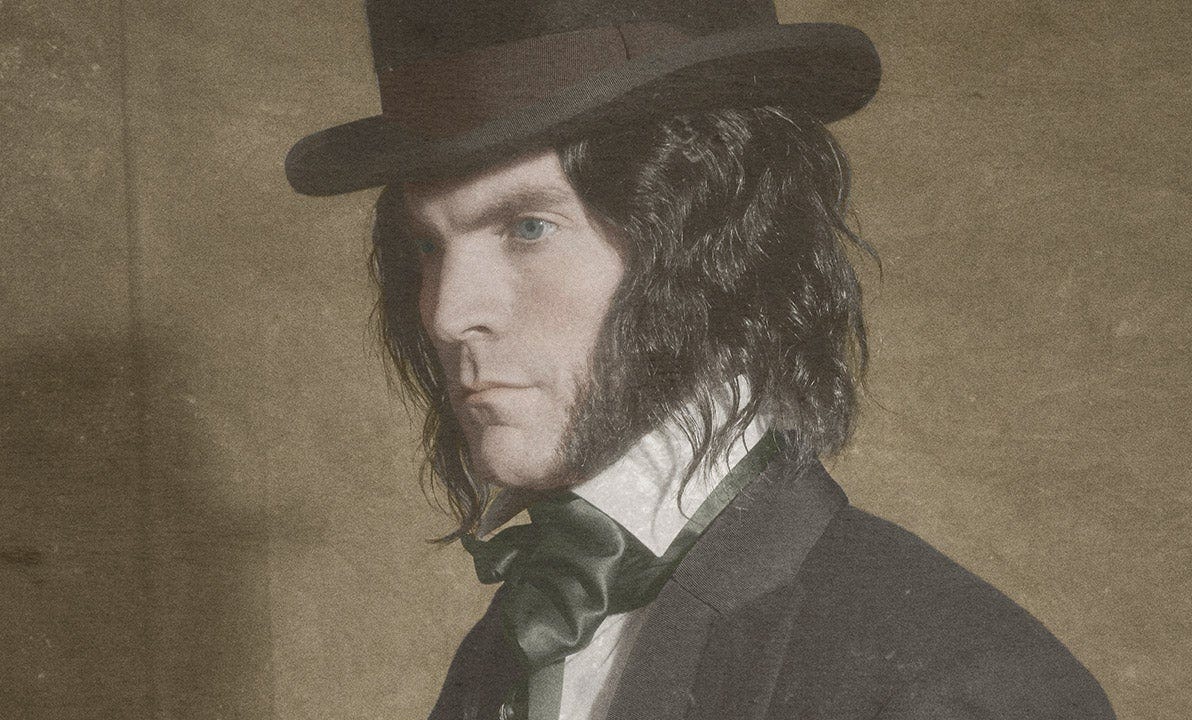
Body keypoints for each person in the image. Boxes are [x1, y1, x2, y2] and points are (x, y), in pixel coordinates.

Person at [286, 1, 1116, 719]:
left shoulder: (956, 681)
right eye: (428, 245)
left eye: (528, 228)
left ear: (706, 240)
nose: (446, 313)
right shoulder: (511, 643)